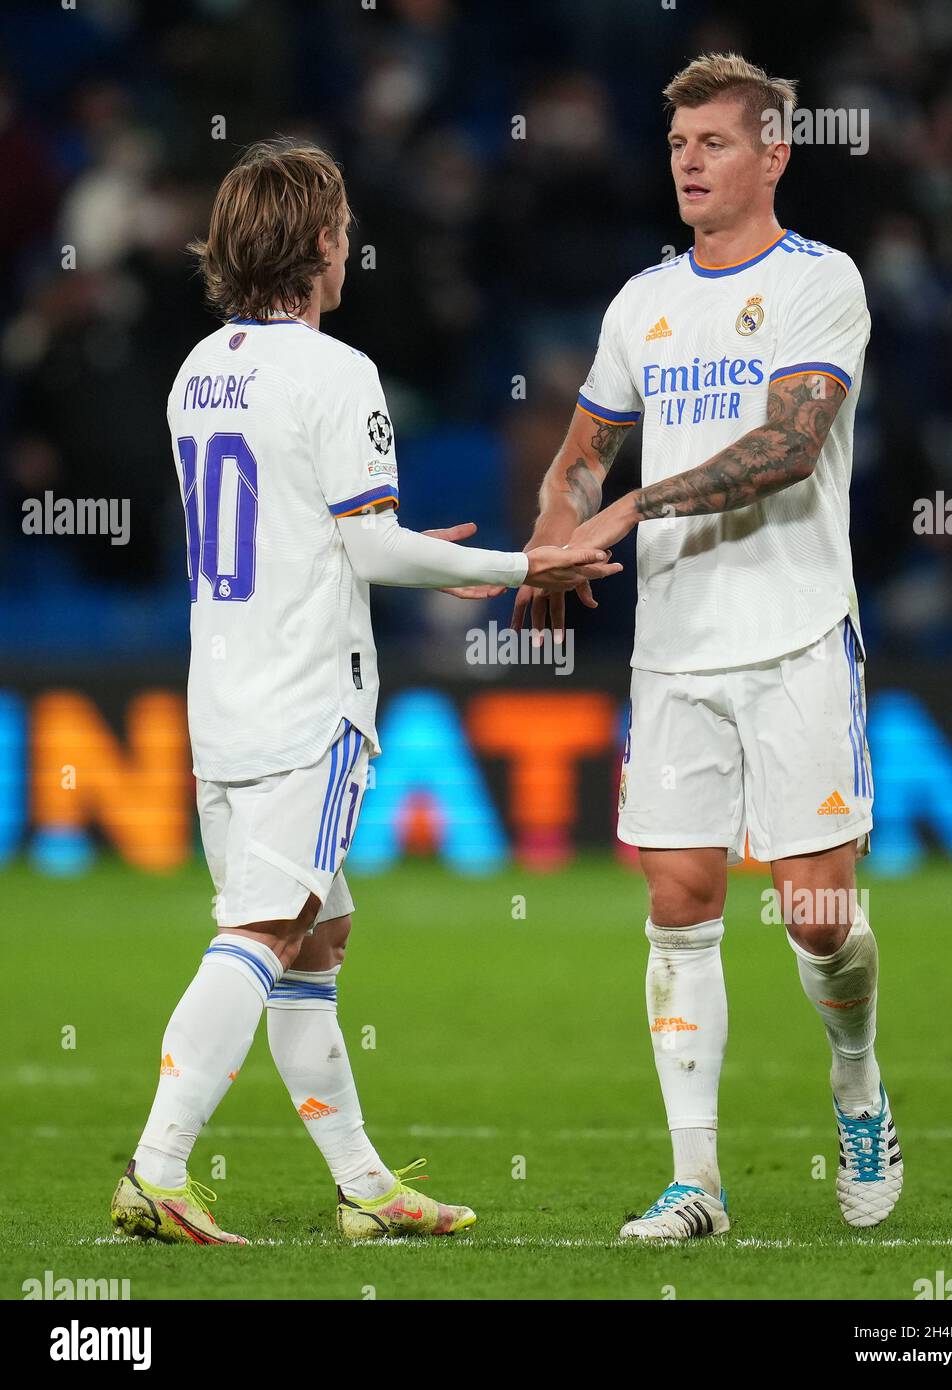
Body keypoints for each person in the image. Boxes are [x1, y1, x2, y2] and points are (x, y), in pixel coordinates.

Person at [111, 139, 619, 1245]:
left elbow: (311, 532)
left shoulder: (197, 369)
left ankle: (365, 1187)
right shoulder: (338, 374)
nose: (350, 247)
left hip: (222, 693)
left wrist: (373, 543)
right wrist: (521, 565)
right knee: (262, 930)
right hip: (305, 701)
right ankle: (158, 1166)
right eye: (340, 229)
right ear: (318, 243)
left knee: (317, 939)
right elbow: (372, 553)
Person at [511, 54, 902, 1237]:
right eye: (678, 144)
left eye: (714, 143)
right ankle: (696, 1182)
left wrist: (631, 507)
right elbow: (582, 450)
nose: (688, 162)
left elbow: (785, 447)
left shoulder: (818, 283)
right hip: (674, 649)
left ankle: (856, 1082)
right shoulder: (641, 302)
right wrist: (552, 521)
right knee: (677, 903)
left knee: (817, 919)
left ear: (771, 154)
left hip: (790, 633)